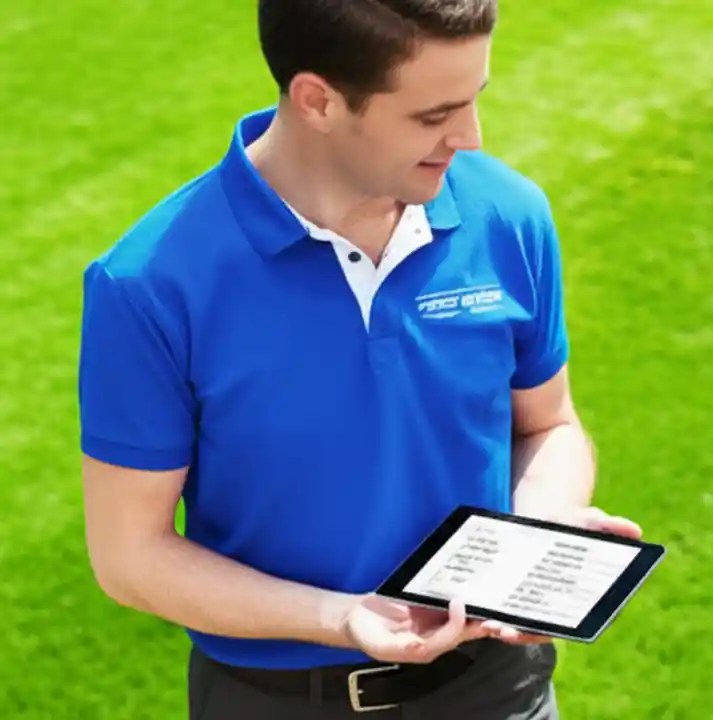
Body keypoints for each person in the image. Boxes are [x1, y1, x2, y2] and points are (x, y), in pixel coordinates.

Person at [77, 1, 641, 717]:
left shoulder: (509, 215)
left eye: (474, 100)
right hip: (275, 705)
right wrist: (341, 618)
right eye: (433, 116)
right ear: (318, 100)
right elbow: (131, 557)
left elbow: (548, 423)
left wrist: (535, 538)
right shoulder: (151, 284)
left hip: (499, 691)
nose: (469, 138)